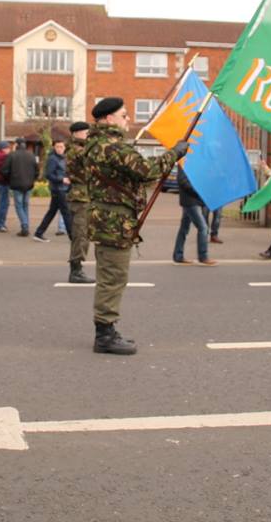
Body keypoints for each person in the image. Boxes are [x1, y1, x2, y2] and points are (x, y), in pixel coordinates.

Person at [86, 97, 187, 354]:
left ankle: (106, 330)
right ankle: (105, 335)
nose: (127, 119)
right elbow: (148, 170)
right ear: (109, 119)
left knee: (109, 276)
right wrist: (174, 153)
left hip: (107, 219)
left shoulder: (96, 145)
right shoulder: (111, 146)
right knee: (113, 277)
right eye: (124, 114)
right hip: (114, 222)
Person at [65, 121, 94, 283]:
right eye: (85, 132)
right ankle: (76, 271)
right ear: (76, 133)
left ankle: (77, 269)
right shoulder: (77, 150)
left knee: (84, 234)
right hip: (80, 197)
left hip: (84, 195)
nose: (88, 135)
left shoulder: (80, 148)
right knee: (80, 235)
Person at [173, 168, 216, 266]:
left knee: (184, 229)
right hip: (190, 201)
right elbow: (183, 182)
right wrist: (199, 191)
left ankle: (178, 256)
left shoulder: (195, 162)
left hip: (194, 200)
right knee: (203, 227)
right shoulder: (185, 162)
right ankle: (203, 257)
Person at [33, 139, 71, 243]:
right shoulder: (53, 159)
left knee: (52, 212)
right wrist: (62, 179)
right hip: (58, 189)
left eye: (62, 147)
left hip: (62, 189)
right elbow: (48, 174)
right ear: (54, 147)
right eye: (58, 146)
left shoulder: (63, 158)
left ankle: (39, 233)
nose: (60, 149)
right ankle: (73, 237)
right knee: (66, 212)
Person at [2, 138, 38, 236]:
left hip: (16, 184)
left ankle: (24, 225)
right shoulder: (31, 155)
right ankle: (25, 226)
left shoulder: (12, 155)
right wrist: (32, 180)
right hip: (29, 185)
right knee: (25, 205)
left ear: (17, 145)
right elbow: (37, 170)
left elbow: (4, 170)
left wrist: (9, 179)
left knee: (19, 206)